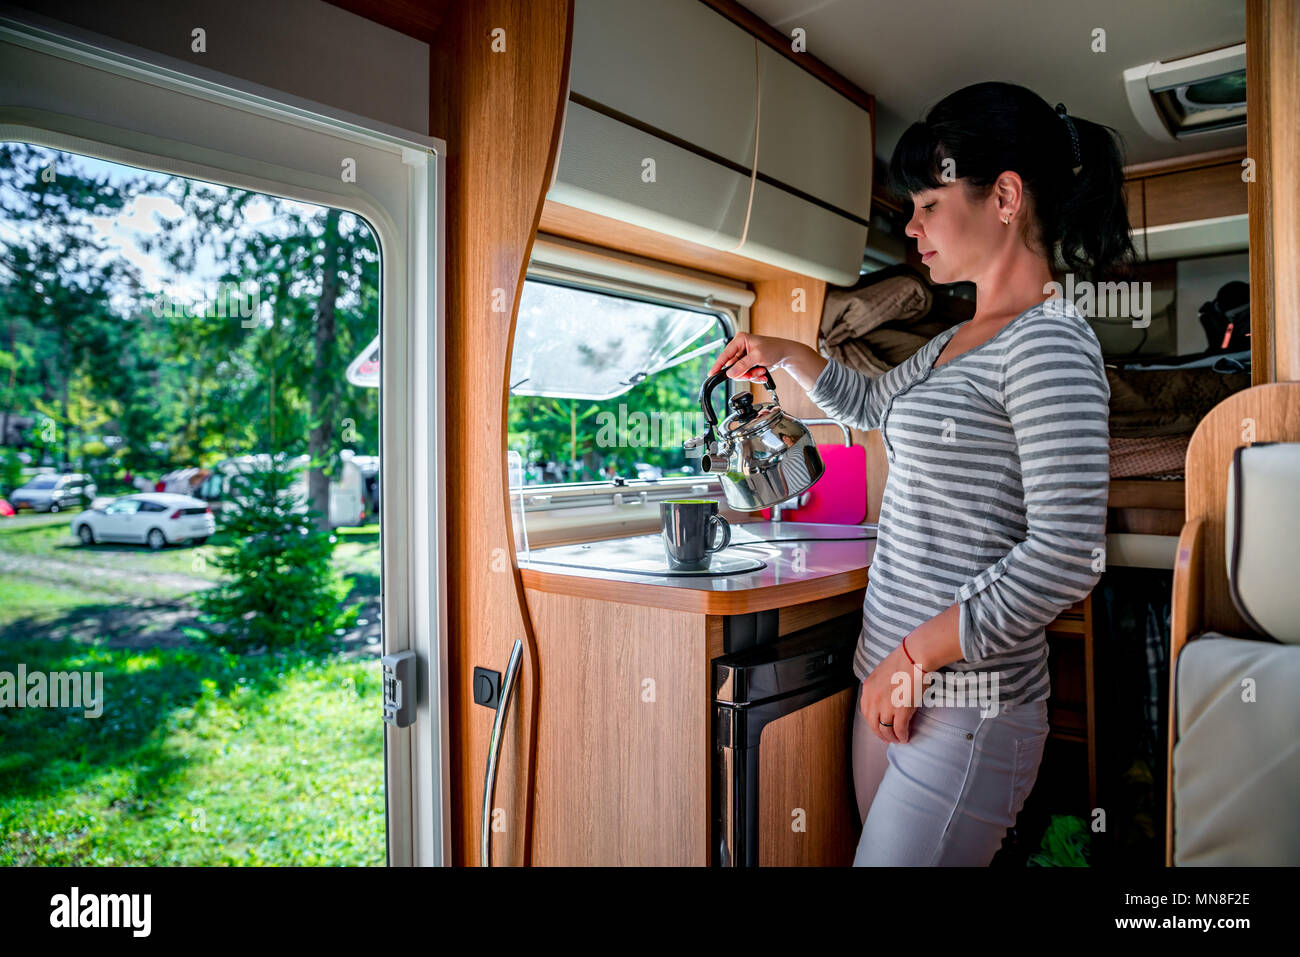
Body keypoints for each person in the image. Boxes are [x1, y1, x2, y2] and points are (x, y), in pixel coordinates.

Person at [707, 82, 1131, 866]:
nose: (911, 227)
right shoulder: (953, 340)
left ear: (1004, 197)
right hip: (893, 681)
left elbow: (1069, 553)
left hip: (964, 703)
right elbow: (871, 405)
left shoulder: (1049, 341)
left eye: (928, 204)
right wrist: (788, 353)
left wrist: (915, 658)